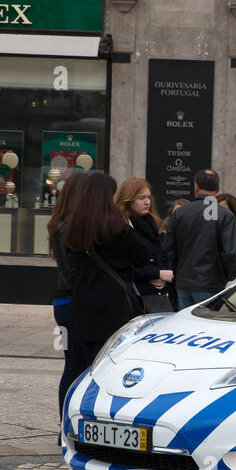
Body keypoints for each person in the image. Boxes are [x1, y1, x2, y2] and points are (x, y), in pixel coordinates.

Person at [65, 172, 152, 362]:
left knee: (90, 363)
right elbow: (143, 255)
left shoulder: (73, 225)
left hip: (83, 302)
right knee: (111, 361)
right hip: (112, 303)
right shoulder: (115, 225)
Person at [162, 169, 236, 308]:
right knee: (206, 326)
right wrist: (229, 276)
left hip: (184, 283)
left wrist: (177, 272)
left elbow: (169, 249)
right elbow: (230, 252)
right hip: (211, 284)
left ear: (196, 187)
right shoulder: (226, 216)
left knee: (187, 326)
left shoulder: (179, 214)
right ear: (218, 189)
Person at [48, 171, 91, 415]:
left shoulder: (66, 224)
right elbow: (71, 269)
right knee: (74, 363)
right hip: (70, 300)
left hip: (69, 299)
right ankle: (65, 421)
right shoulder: (66, 227)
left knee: (77, 362)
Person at [114, 176, 175, 304]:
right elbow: (123, 266)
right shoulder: (121, 226)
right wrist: (156, 273)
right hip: (135, 296)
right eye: (141, 198)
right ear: (128, 200)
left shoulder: (151, 223)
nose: (147, 202)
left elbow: (163, 253)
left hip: (159, 293)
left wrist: (162, 274)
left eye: (148, 197)